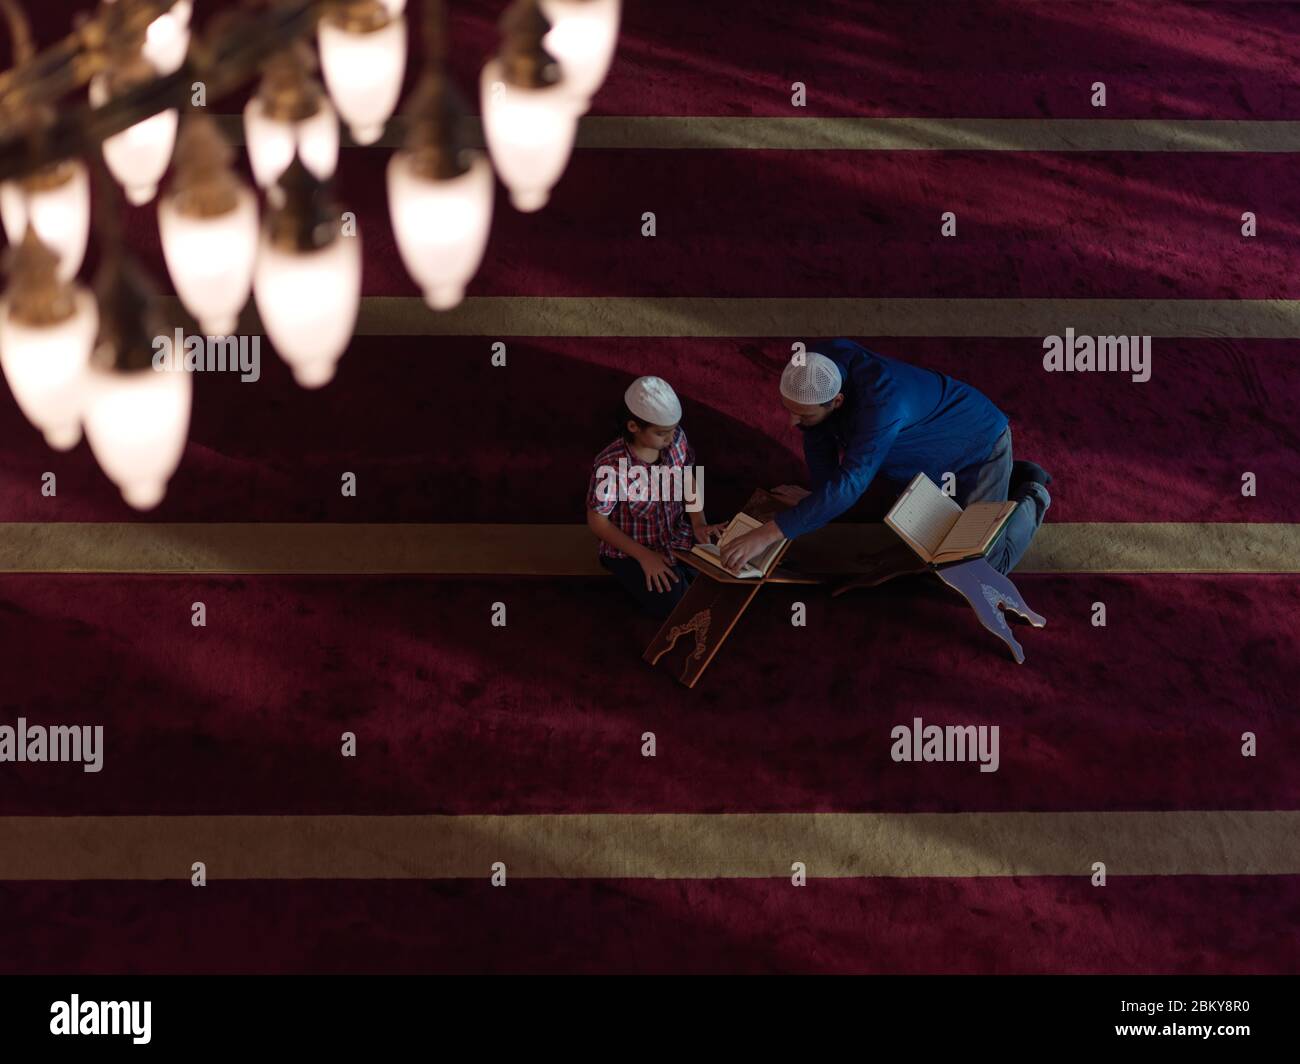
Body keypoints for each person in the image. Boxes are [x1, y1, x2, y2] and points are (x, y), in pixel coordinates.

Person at [720, 339, 1053, 575]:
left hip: (979, 446)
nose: (791, 423)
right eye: (789, 411)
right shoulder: (818, 367)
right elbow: (818, 437)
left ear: (837, 401)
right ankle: (1005, 476)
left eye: (802, 416)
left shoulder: (882, 405)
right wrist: (819, 495)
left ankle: (1031, 488)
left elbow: (850, 484)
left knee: (980, 565)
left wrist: (768, 533)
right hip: (927, 455)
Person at [587, 376, 725, 619]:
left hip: (675, 535)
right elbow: (597, 521)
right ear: (633, 427)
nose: (671, 438)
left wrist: (698, 522)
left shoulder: (675, 438)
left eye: (673, 430)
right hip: (631, 549)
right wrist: (644, 556)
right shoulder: (611, 464)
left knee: (721, 575)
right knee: (675, 604)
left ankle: (684, 575)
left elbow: (687, 475)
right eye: (663, 433)